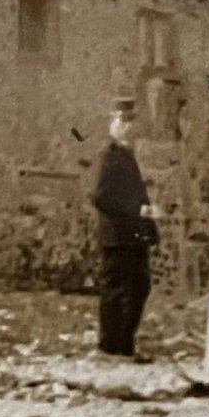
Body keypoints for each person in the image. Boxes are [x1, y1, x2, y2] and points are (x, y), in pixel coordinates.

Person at [89, 103, 159, 358]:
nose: (127, 127)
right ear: (112, 125)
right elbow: (102, 198)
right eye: (121, 121)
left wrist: (146, 215)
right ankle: (112, 346)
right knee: (118, 290)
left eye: (130, 121)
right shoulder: (112, 157)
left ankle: (124, 345)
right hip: (118, 237)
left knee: (138, 287)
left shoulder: (126, 155)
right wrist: (136, 211)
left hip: (132, 237)